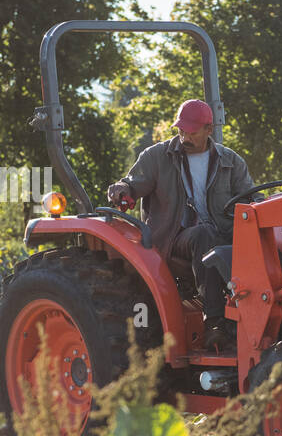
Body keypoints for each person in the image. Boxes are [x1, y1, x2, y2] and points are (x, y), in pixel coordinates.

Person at [106, 99, 256, 351]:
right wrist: (123, 189)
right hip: (175, 238)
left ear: (209, 129)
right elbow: (132, 183)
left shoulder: (230, 162)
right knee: (203, 235)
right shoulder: (157, 157)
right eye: (181, 130)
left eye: (191, 131)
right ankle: (215, 323)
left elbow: (252, 199)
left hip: (223, 236)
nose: (184, 136)